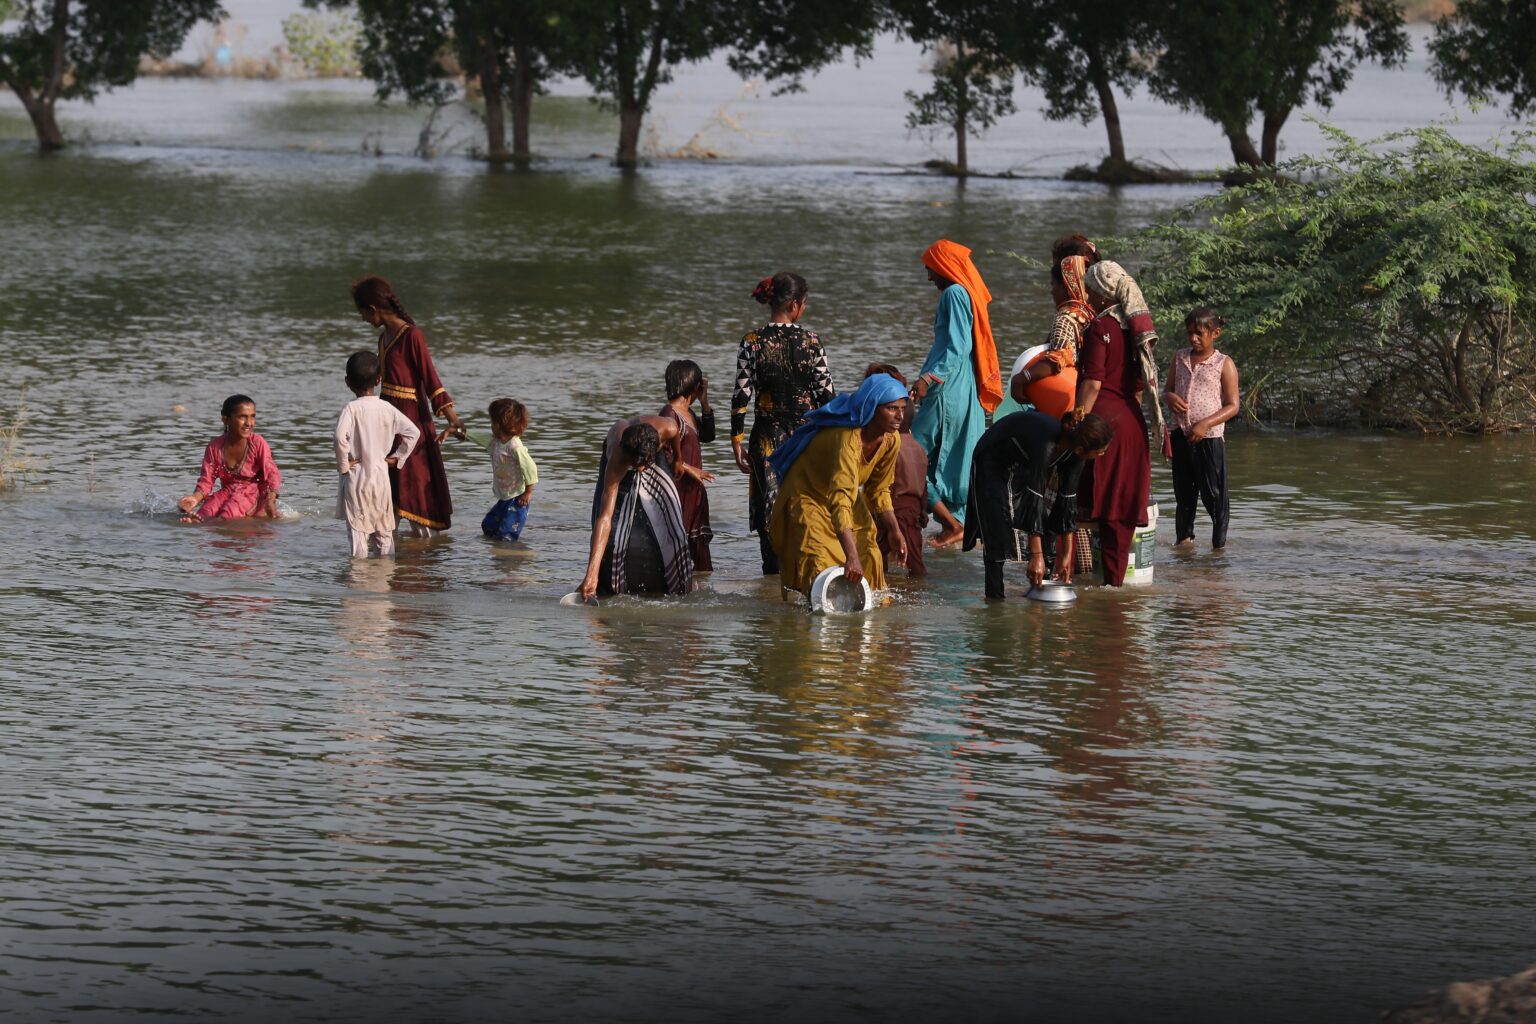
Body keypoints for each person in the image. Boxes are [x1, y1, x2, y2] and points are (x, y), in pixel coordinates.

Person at [767, 373, 909, 598]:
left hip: (843, 496)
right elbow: (841, 498)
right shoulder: (848, 438)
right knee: (818, 560)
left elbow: (878, 490)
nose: (899, 416)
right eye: (892, 408)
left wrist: (894, 530)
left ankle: (870, 624)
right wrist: (850, 556)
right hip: (808, 494)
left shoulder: (892, 440)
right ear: (873, 408)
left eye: (902, 408)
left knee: (870, 552)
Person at [731, 272, 835, 574]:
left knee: (770, 512)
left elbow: (741, 396)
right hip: (806, 438)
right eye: (803, 303)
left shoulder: (752, 342)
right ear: (794, 305)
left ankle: (773, 576)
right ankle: (808, 571)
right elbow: (827, 396)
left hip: (766, 439)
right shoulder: (811, 342)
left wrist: (736, 441)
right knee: (807, 505)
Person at [351, 275, 464, 535]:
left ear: (373, 309)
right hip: (387, 421)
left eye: (363, 314)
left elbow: (431, 379)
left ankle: (422, 550)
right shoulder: (383, 339)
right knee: (390, 486)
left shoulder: (411, 335)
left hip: (412, 422)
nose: (364, 320)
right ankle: (393, 549)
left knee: (413, 485)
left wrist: (453, 420)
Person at [963, 411, 1114, 599]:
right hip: (993, 457)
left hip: (1023, 462)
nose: (1103, 453)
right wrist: (1036, 556)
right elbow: (1033, 500)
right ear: (1082, 448)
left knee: (1048, 525)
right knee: (999, 525)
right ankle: (994, 598)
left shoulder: (1077, 455)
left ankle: (1042, 588)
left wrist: (1066, 555)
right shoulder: (1047, 444)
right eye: (1100, 450)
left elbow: (1068, 500)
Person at [912, 239, 1004, 547]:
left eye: (931, 270)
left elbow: (956, 346)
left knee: (908, 455)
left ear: (944, 267)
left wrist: (927, 379)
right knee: (950, 455)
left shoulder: (953, 293)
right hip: (961, 385)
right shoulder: (963, 294)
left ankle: (953, 525)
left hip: (946, 388)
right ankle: (955, 523)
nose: (929, 278)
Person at [1074, 260, 1157, 586]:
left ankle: (1089, 582)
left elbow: (1093, 382)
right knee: (1120, 513)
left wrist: (1075, 422)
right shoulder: (1135, 331)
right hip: (1132, 425)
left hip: (1102, 422)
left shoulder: (1100, 328)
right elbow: (1138, 388)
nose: (1087, 294)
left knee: (1097, 505)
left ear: (1099, 292)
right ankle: (1115, 585)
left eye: (1089, 289)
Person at [580, 417, 692, 600]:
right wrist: (591, 573)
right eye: (636, 466)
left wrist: (679, 460)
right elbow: (605, 518)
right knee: (610, 537)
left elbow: (675, 435)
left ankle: (679, 584)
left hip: (646, 453)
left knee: (676, 528)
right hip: (626, 456)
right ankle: (600, 585)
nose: (640, 471)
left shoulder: (668, 428)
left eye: (643, 467)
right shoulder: (617, 458)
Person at [1166, 307, 1240, 550]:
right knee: (1184, 496)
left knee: (1214, 496)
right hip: (1180, 434)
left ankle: (1218, 548)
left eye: (1199, 333)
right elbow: (1166, 390)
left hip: (1209, 438)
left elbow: (1233, 406)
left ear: (1215, 333)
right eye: (1189, 333)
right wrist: (1169, 397)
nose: (1193, 338)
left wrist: (1205, 423)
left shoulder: (1223, 363)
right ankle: (1184, 543)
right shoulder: (1180, 358)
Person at [333, 352, 421, 557]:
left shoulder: (351, 409)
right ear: (379, 380)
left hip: (357, 478)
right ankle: (384, 581)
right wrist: (397, 457)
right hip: (381, 477)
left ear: (347, 382)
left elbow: (339, 438)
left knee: (358, 535)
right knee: (384, 533)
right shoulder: (387, 408)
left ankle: (359, 582)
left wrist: (344, 465)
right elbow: (413, 433)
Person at [1009, 255, 1093, 418]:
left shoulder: (1065, 318)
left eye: (1053, 284)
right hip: (1090, 396)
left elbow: (1059, 358)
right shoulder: (1089, 313)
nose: (1051, 290)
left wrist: (1021, 379)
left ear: (1065, 286)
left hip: (1069, 398)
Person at [865, 362, 928, 578]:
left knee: (878, 553)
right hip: (912, 512)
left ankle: (881, 585)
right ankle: (917, 589)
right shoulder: (919, 448)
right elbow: (924, 487)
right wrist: (922, 513)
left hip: (893, 508)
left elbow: (884, 486)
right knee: (914, 561)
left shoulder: (890, 446)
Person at [178, 394, 282, 523]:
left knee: (226, 517)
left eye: (253, 417)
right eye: (242, 417)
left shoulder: (258, 443)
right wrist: (194, 499)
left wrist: (270, 501)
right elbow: (206, 481)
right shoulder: (214, 447)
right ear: (226, 420)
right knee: (204, 513)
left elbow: (272, 474)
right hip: (226, 492)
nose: (249, 423)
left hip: (252, 495)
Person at [659, 359, 717, 572]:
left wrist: (705, 403)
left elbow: (709, 436)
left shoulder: (688, 413)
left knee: (700, 551)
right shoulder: (669, 414)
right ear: (693, 384)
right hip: (679, 491)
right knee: (679, 544)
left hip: (695, 491)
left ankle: (702, 588)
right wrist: (688, 468)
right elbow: (662, 456)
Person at [469, 398, 538, 543]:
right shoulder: (495, 441)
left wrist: (528, 492)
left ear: (501, 425)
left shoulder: (515, 447)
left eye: (493, 423)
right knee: (488, 526)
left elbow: (530, 468)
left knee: (506, 536)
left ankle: (508, 561)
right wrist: (462, 432)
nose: (491, 426)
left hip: (518, 499)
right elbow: (478, 437)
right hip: (504, 497)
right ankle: (493, 553)